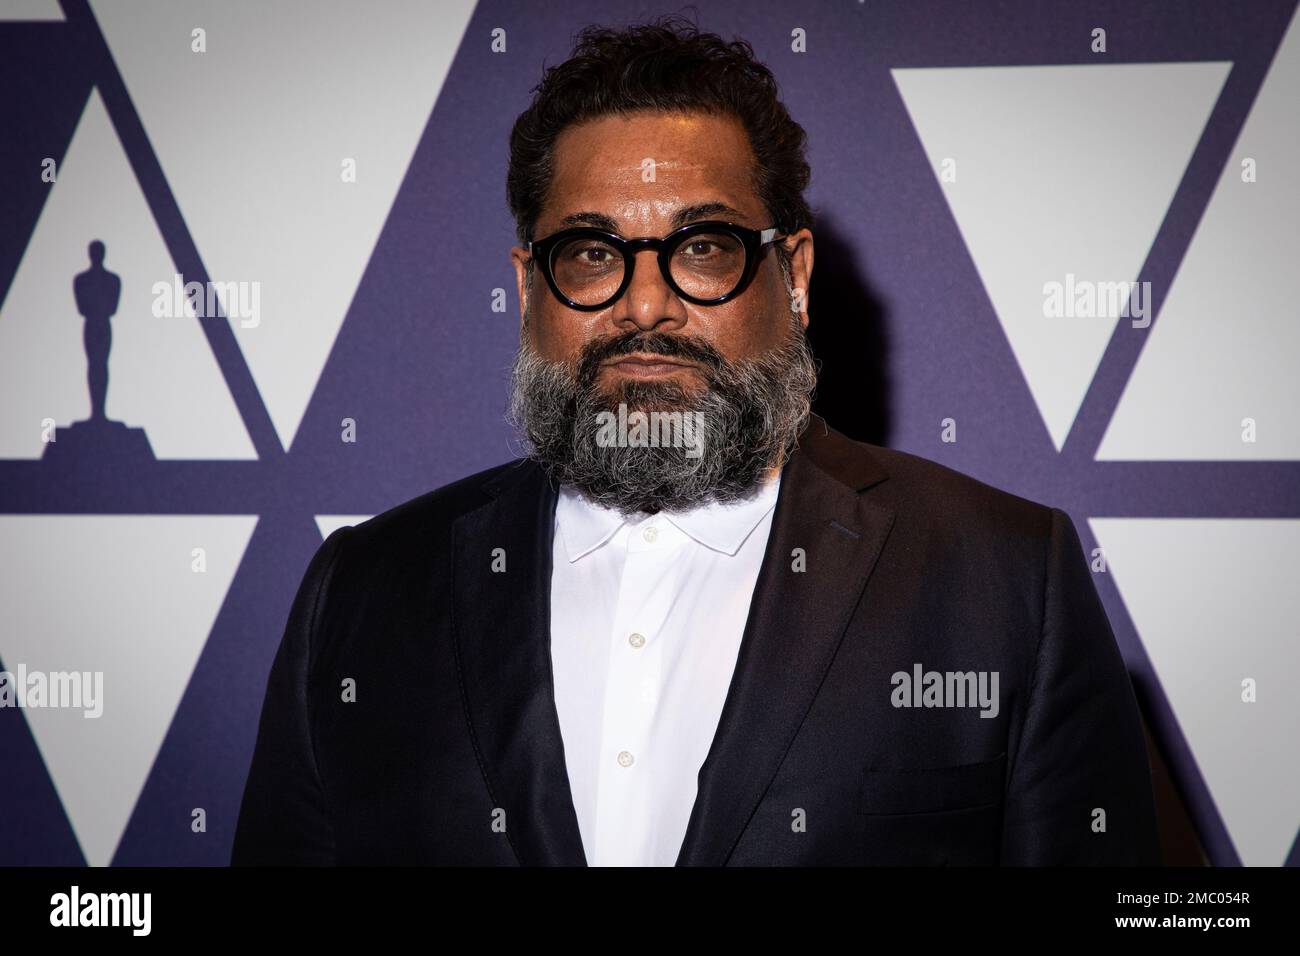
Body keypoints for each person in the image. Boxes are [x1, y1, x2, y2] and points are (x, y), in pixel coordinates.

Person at [232, 16, 1160, 866]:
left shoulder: (1003, 581)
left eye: (704, 247)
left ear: (791, 276)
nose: (645, 304)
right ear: (526, 288)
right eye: (591, 254)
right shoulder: (361, 593)